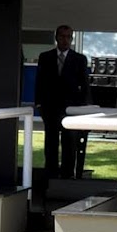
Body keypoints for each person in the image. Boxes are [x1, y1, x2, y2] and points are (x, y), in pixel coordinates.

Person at [35, 23, 90, 192]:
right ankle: (50, 174)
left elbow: (85, 85)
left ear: (72, 39)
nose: (65, 40)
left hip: (70, 108)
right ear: (56, 38)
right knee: (50, 141)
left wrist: (84, 108)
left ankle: (67, 175)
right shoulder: (45, 57)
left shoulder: (79, 59)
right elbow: (40, 81)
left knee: (69, 142)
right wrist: (39, 103)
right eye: (62, 36)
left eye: (68, 37)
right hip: (50, 106)